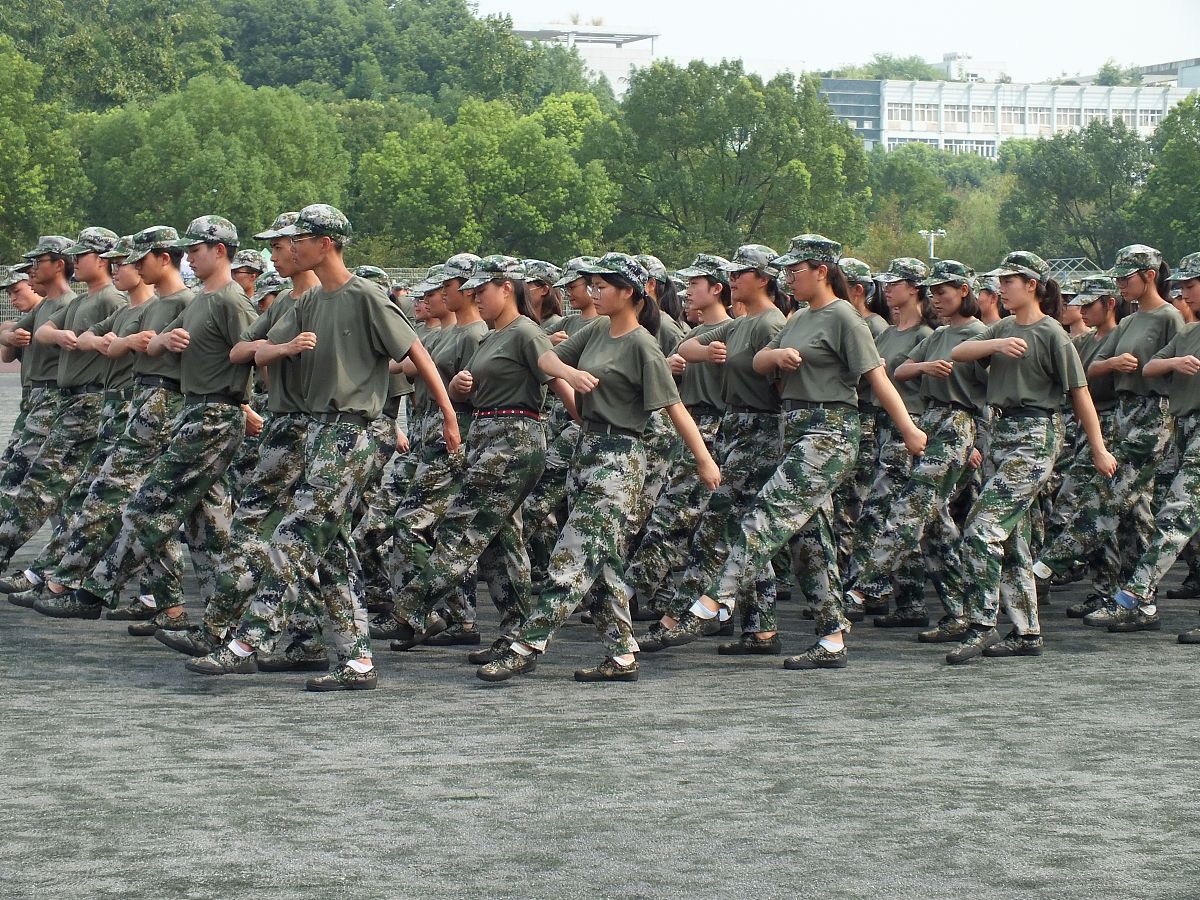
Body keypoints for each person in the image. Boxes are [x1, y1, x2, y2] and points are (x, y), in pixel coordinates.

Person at [187, 204, 460, 691]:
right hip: (317, 431)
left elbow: (415, 351)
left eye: (300, 239)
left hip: (352, 432)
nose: (291, 248)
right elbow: (256, 349)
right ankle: (357, 662)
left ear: (326, 243)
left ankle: (247, 641)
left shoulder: (365, 295)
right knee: (331, 554)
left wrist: (448, 414)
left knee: (295, 534)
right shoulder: (309, 302)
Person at [661, 235, 926, 670]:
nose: (788, 278)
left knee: (767, 512)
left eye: (795, 271)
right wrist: (778, 355)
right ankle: (833, 636)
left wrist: (910, 430)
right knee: (810, 541)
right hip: (794, 427)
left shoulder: (844, 317)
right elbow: (759, 361)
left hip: (831, 430)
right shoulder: (798, 317)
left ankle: (717, 599)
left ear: (821, 271)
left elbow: (878, 378)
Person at [477, 252, 720, 683]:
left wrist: (703, 459)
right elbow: (547, 361)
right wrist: (570, 373)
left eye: (602, 286)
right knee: (602, 561)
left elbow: (674, 408)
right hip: (586, 449)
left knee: (571, 553)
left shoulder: (643, 344)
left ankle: (527, 644)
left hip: (619, 458)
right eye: (592, 285)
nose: (594, 293)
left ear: (629, 292)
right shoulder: (596, 330)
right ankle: (622, 655)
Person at [59, 216, 259, 621]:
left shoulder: (231, 300)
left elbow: (251, 356)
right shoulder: (203, 298)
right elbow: (155, 343)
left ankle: (97, 588)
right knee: (209, 527)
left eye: (195, 250)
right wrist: (165, 340)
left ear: (219, 251)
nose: (189, 258)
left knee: (149, 502)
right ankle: (221, 620)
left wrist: (245, 407)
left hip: (214, 415)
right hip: (195, 409)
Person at [387, 256, 578, 661]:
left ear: (507, 287)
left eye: (482, 292)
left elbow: (548, 367)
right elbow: (465, 394)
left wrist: (578, 403)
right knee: (500, 543)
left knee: (464, 524)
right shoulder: (491, 336)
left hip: (514, 438)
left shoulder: (526, 331)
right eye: (471, 292)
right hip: (487, 438)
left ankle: (411, 606)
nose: (477, 299)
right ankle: (514, 632)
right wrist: (458, 387)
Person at [947, 251, 1116, 664]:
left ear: (1032, 285)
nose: (1002, 288)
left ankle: (982, 623)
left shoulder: (1053, 334)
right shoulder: (1003, 328)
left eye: (1009, 281)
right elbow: (960, 353)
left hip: (1036, 433)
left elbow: (1080, 394)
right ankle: (1026, 632)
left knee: (982, 528)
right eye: (1000, 281)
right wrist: (997, 341)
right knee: (1015, 539)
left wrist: (1097, 447)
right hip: (1001, 433)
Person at [640, 247, 789, 654]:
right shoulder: (743, 323)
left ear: (762, 278)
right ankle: (761, 629)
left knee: (717, 529)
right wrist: (707, 353)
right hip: (736, 427)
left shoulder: (770, 323)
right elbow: (686, 350)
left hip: (760, 429)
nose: (735, 277)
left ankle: (681, 616)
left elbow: (780, 383)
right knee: (746, 531)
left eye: (742, 272)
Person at [1032, 245, 1182, 630]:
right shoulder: (1130, 322)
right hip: (1123, 414)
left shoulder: (1169, 317)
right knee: (1133, 512)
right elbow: (1092, 368)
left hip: (1155, 412)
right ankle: (1139, 604)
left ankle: (1051, 563)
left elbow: (1177, 367)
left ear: (1149, 276)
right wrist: (1115, 363)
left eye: (1126, 278)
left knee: (1112, 495)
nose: (1121, 285)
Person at [844, 260, 987, 640]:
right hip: (931, 422)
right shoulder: (938, 335)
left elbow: (990, 396)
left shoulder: (979, 333)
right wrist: (925, 366)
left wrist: (978, 443)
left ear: (964, 291)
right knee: (935, 526)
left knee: (909, 509)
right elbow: (901, 372)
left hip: (955, 423)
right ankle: (960, 610)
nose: (936, 298)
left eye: (943, 291)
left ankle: (861, 586)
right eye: (934, 291)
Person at [0, 228, 126, 573]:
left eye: (38, 262)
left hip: (78, 401)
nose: (32, 270)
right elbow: (20, 336)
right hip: (56, 400)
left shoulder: (105, 300)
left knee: (42, 480)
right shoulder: (74, 303)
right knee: (63, 486)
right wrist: (23, 333)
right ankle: (65, 564)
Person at [623, 253, 731, 623]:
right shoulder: (692, 335)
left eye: (695, 285)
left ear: (718, 289)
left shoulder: (731, 331)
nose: (686, 292)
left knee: (686, 520)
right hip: (687, 428)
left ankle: (635, 592)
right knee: (689, 521)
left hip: (719, 430)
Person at [1108, 253, 1200, 641]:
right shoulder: (1190, 332)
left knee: (1178, 510)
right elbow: (1150, 368)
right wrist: (1177, 362)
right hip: (1186, 425)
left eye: (1192, 285)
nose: (1184, 293)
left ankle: (1139, 586)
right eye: (1182, 286)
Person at [843, 257, 938, 620]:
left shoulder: (925, 335)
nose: (887, 289)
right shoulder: (887, 334)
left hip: (908, 425)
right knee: (894, 512)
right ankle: (909, 600)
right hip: (881, 425)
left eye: (895, 283)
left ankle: (870, 588)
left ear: (914, 288)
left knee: (882, 509)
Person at [831, 257, 889, 574]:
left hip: (866, 418)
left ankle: (854, 573)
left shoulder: (872, 325)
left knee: (856, 501)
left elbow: (874, 375)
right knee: (843, 501)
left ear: (857, 290)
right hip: (856, 417)